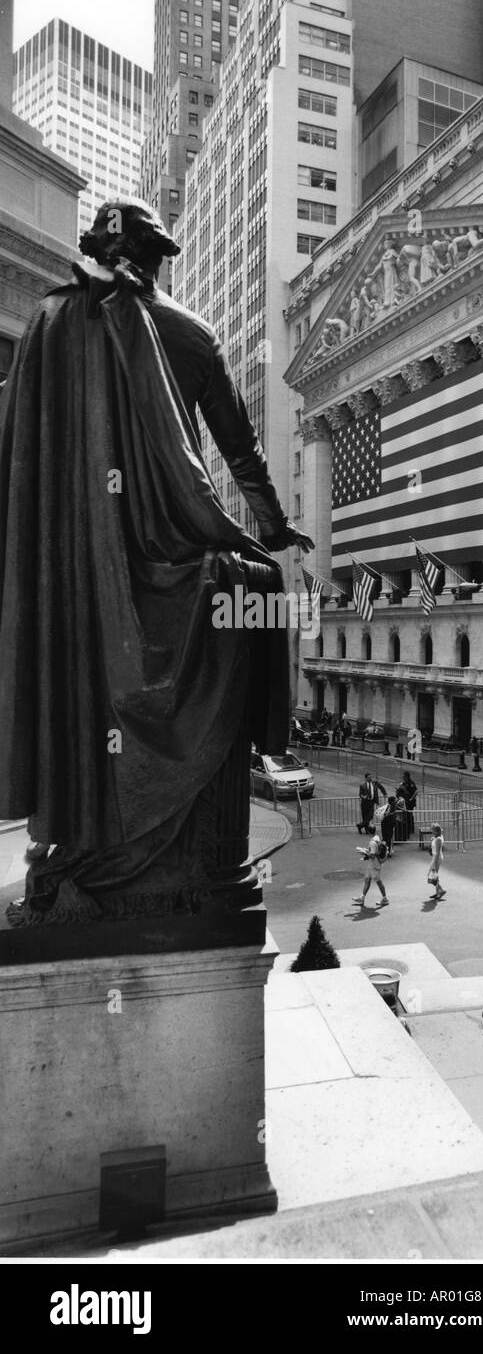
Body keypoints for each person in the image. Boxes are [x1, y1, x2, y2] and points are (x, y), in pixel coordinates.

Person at [0, 198, 314, 925]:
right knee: (259, 591)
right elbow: (240, 451)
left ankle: (80, 843)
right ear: (160, 256)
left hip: (75, 570)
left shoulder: (50, 321)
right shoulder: (191, 332)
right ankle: (203, 856)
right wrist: (274, 532)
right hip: (165, 561)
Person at [353, 832, 389, 908]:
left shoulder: (372, 842)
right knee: (367, 879)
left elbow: (372, 855)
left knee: (379, 882)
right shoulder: (376, 840)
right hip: (373, 864)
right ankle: (362, 898)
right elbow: (375, 853)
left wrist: (364, 852)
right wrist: (365, 851)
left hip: (374, 865)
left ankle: (385, 899)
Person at [397, 770, 417, 838]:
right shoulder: (403, 783)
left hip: (410, 802)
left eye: (404, 776)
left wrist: (412, 798)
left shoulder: (411, 783)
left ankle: (411, 829)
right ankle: (407, 828)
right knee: (405, 815)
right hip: (404, 802)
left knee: (409, 815)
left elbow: (416, 791)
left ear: (406, 777)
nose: (402, 777)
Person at [427, 823, 445, 900]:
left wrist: (434, 862)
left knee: (434, 876)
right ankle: (438, 892)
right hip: (435, 857)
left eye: (433, 830)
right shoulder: (438, 837)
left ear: (436, 831)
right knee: (434, 875)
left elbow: (437, 852)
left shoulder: (438, 839)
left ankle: (441, 890)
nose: (431, 831)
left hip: (436, 858)